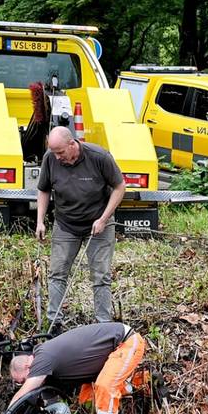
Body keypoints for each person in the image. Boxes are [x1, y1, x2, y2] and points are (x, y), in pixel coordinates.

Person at [37, 127, 127, 326]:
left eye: (60, 152)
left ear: (73, 144)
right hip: (66, 224)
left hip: (99, 223)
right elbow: (43, 190)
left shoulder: (99, 157)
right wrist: (40, 221)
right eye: (54, 153)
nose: (57, 157)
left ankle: (103, 325)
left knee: (101, 275)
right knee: (57, 273)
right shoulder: (50, 159)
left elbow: (120, 187)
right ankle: (54, 324)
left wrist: (104, 219)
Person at [9, 322, 148, 414]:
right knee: (86, 402)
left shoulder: (43, 358)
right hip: (107, 360)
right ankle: (144, 381)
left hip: (125, 342)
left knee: (105, 387)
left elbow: (24, 393)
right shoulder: (47, 371)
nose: (23, 384)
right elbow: (51, 406)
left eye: (22, 381)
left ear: (28, 366)